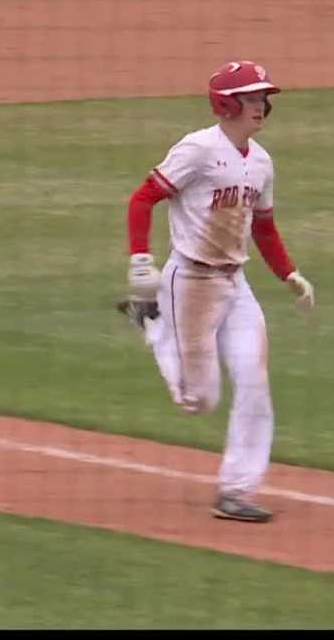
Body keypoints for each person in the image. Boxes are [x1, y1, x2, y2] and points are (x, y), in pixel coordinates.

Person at [121, 60, 314, 524]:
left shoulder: (262, 162)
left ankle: (237, 491)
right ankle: (151, 321)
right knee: (199, 400)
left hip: (235, 282)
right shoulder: (198, 150)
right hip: (188, 282)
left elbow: (264, 228)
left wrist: (289, 274)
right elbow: (142, 198)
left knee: (253, 378)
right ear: (227, 104)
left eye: (262, 98)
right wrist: (141, 262)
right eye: (251, 98)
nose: (261, 106)